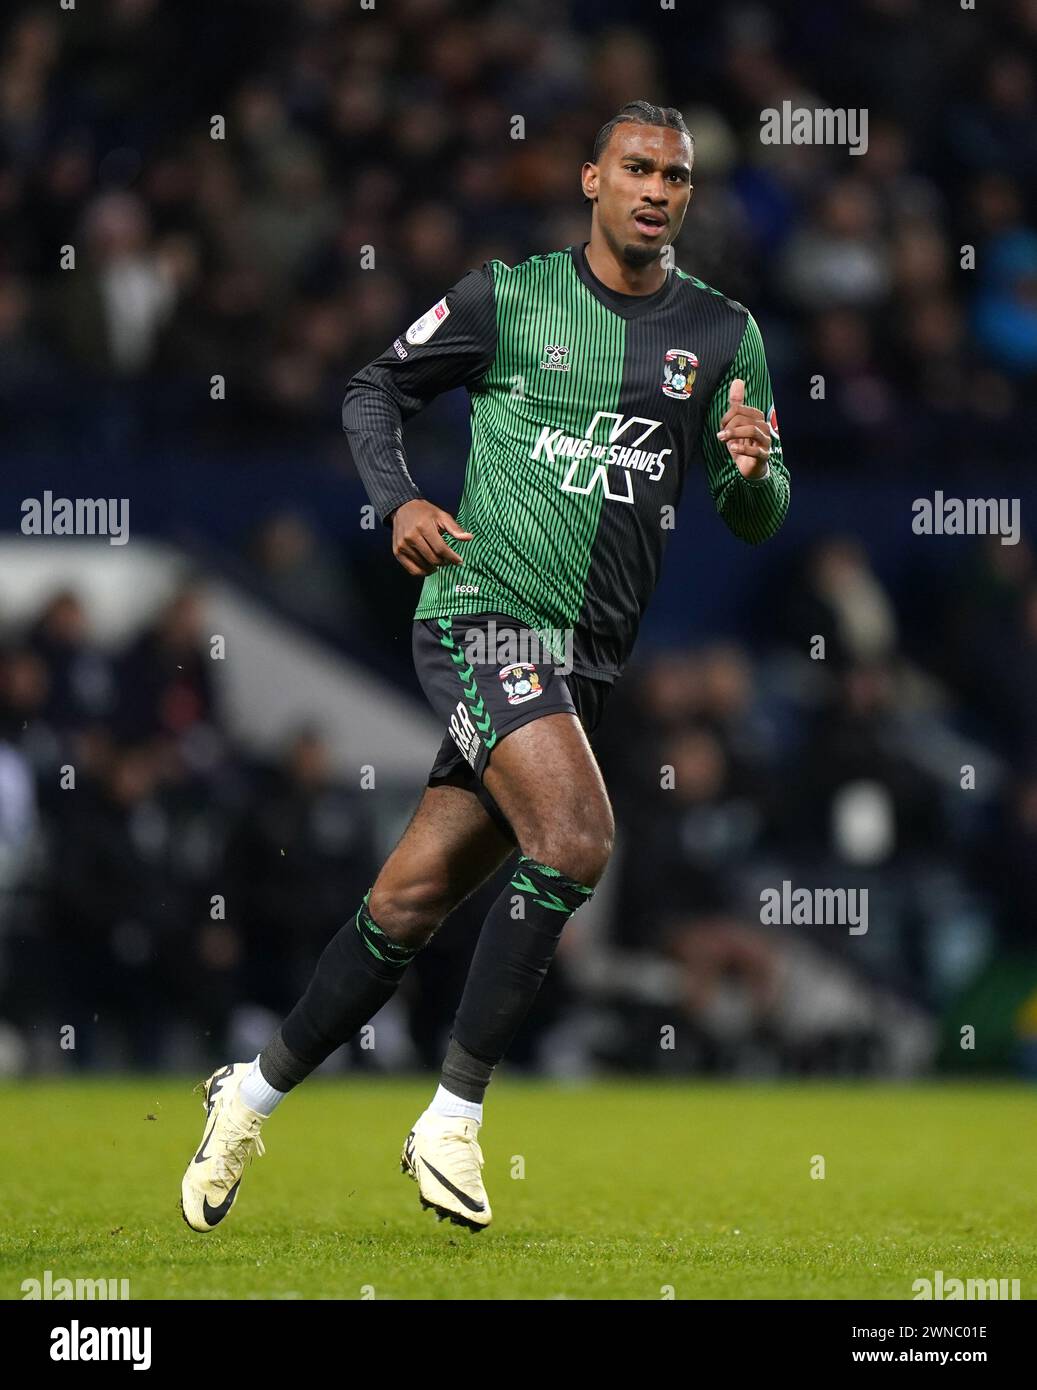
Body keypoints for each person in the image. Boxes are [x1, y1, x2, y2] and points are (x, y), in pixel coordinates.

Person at [180, 100, 790, 1234]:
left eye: (675, 175)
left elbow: (753, 513)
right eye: (635, 168)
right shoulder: (506, 297)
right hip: (481, 616)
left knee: (405, 901)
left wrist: (752, 475)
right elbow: (370, 388)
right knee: (576, 837)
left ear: (688, 197)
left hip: (582, 664)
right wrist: (398, 496)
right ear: (590, 180)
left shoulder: (722, 336)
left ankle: (246, 1092)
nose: (655, 189)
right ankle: (451, 1117)